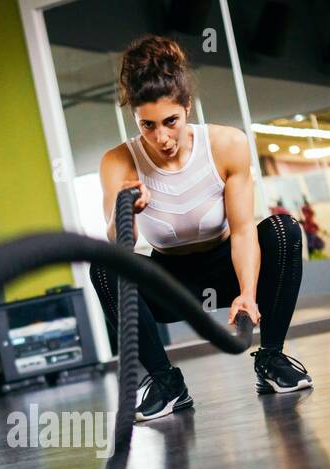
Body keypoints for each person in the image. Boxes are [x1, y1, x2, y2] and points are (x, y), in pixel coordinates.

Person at [88, 35, 309, 422]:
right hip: (171, 283)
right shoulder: (118, 162)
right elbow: (120, 244)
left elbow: (243, 231)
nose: (162, 137)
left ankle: (271, 359)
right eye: (148, 125)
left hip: (226, 263)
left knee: (283, 230)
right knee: (105, 268)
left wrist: (247, 294)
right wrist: (126, 210)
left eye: (171, 121)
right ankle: (164, 382)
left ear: (187, 106)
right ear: (135, 119)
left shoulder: (226, 144)